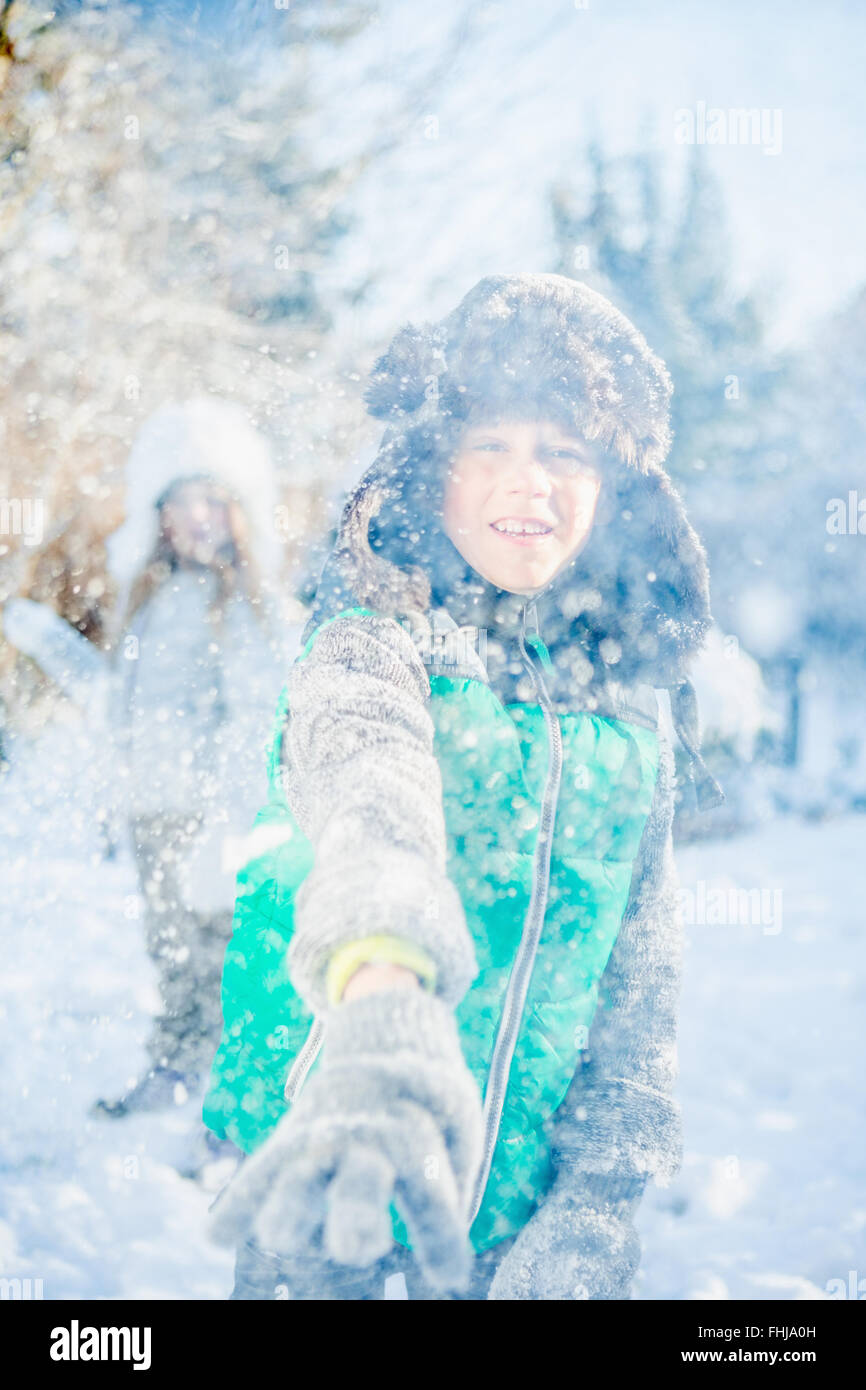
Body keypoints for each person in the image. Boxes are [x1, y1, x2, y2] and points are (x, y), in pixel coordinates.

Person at [203, 274, 723, 1299]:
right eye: (491, 445)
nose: (526, 483)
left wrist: (595, 1202)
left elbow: (638, 982)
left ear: (615, 484)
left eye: (564, 452)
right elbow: (370, 809)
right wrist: (383, 992)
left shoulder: (632, 707)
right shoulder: (368, 639)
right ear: (432, 467)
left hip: (512, 1208)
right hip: (334, 1136)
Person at [94, 398, 297, 1121]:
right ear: (159, 516)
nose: (198, 517)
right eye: (182, 503)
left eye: (214, 501)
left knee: (217, 961)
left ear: (238, 510)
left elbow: (251, 719)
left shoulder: (240, 606)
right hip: (155, 810)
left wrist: (228, 823)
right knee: (171, 956)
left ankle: (228, 1097)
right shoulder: (148, 601)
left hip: (209, 819)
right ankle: (175, 1072)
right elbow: (127, 710)